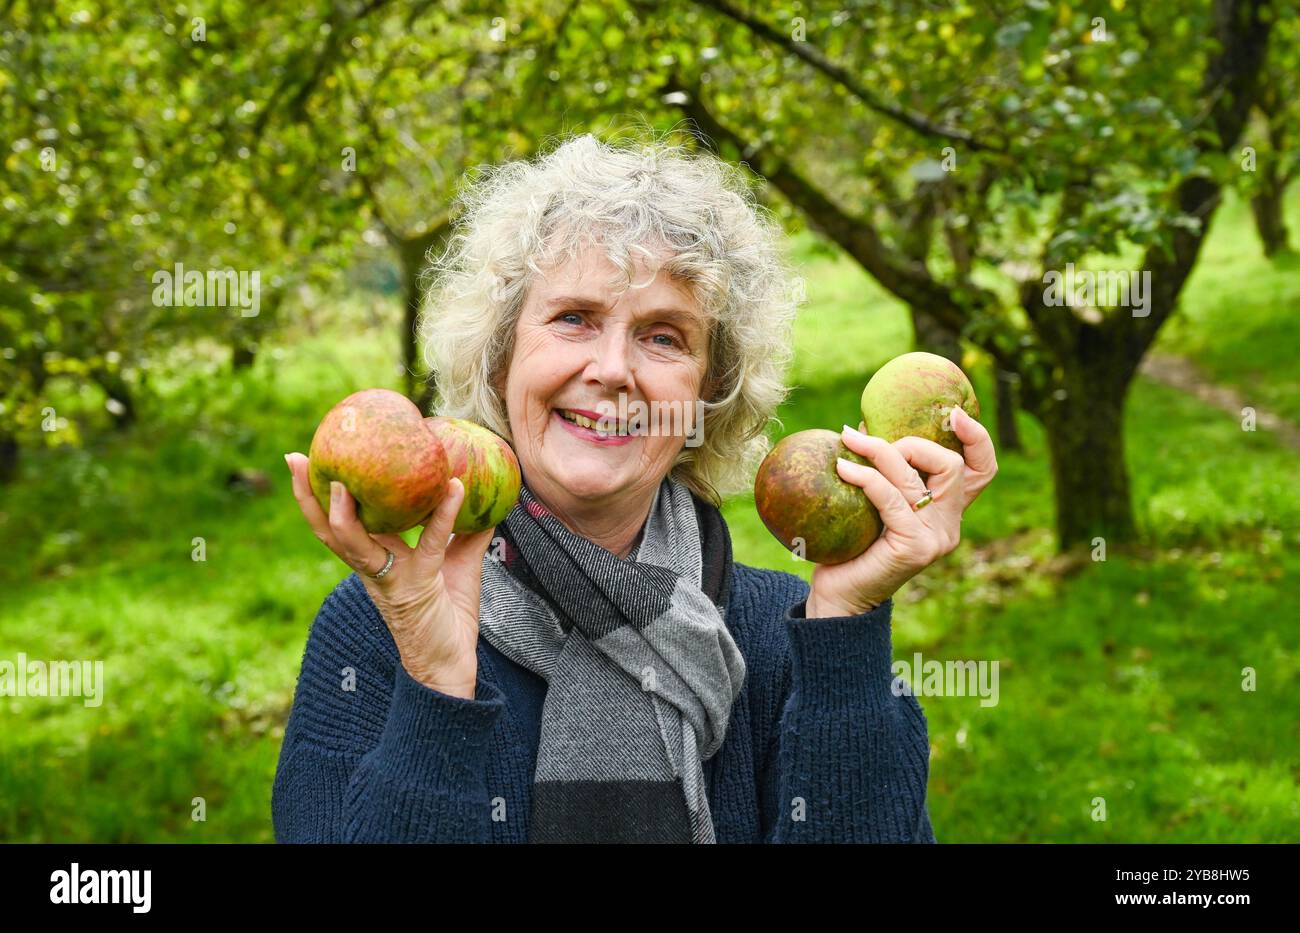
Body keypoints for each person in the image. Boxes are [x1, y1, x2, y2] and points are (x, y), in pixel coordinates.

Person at [273, 133, 997, 843]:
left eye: (663, 336)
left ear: (706, 398)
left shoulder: (787, 637)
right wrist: (434, 682)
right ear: (500, 361)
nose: (613, 368)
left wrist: (847, 621)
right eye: (573, 319)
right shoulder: (380, 623)